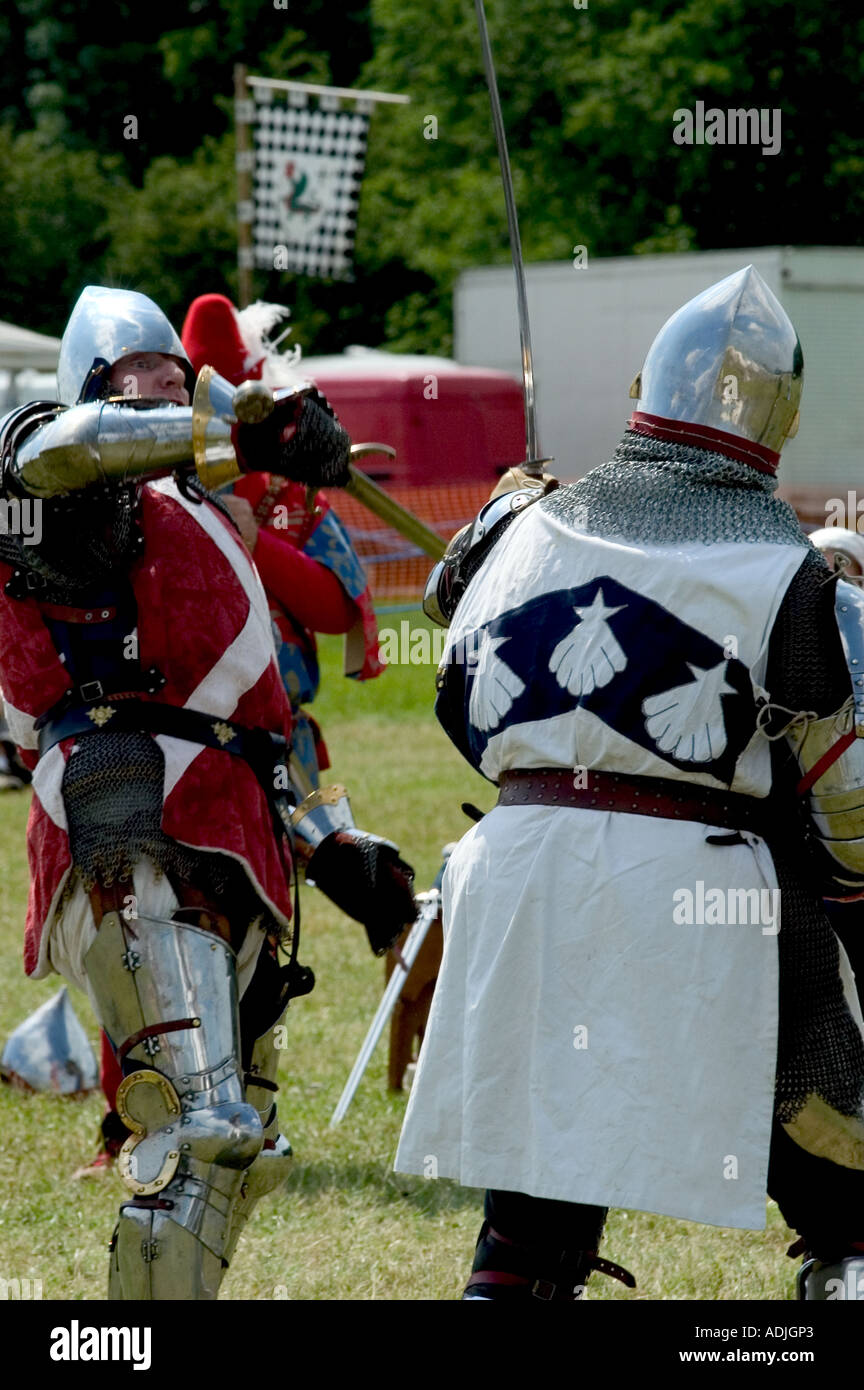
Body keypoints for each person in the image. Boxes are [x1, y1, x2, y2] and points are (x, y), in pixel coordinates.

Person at [395, 265, 864, 1302]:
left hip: (513, 879)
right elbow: (855, 831)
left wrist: (510, 507)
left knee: (525, 1233)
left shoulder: (514, 527)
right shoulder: (797, 581)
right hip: (706, 901)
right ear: (778, 415)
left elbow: (444, 619)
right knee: (846, 1191)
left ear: (650, 385)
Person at [0, 284, 415, 1298]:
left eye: (177, 378)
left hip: (232, 826)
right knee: (210, 1123)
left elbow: (258, 728)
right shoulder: (49, 482)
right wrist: (249, 423)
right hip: (126, 804)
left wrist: (336, 847)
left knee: (241, 1158)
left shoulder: (199, 516)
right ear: (95, 386)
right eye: (141, 376)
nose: (164, 392)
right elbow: (83, 446)